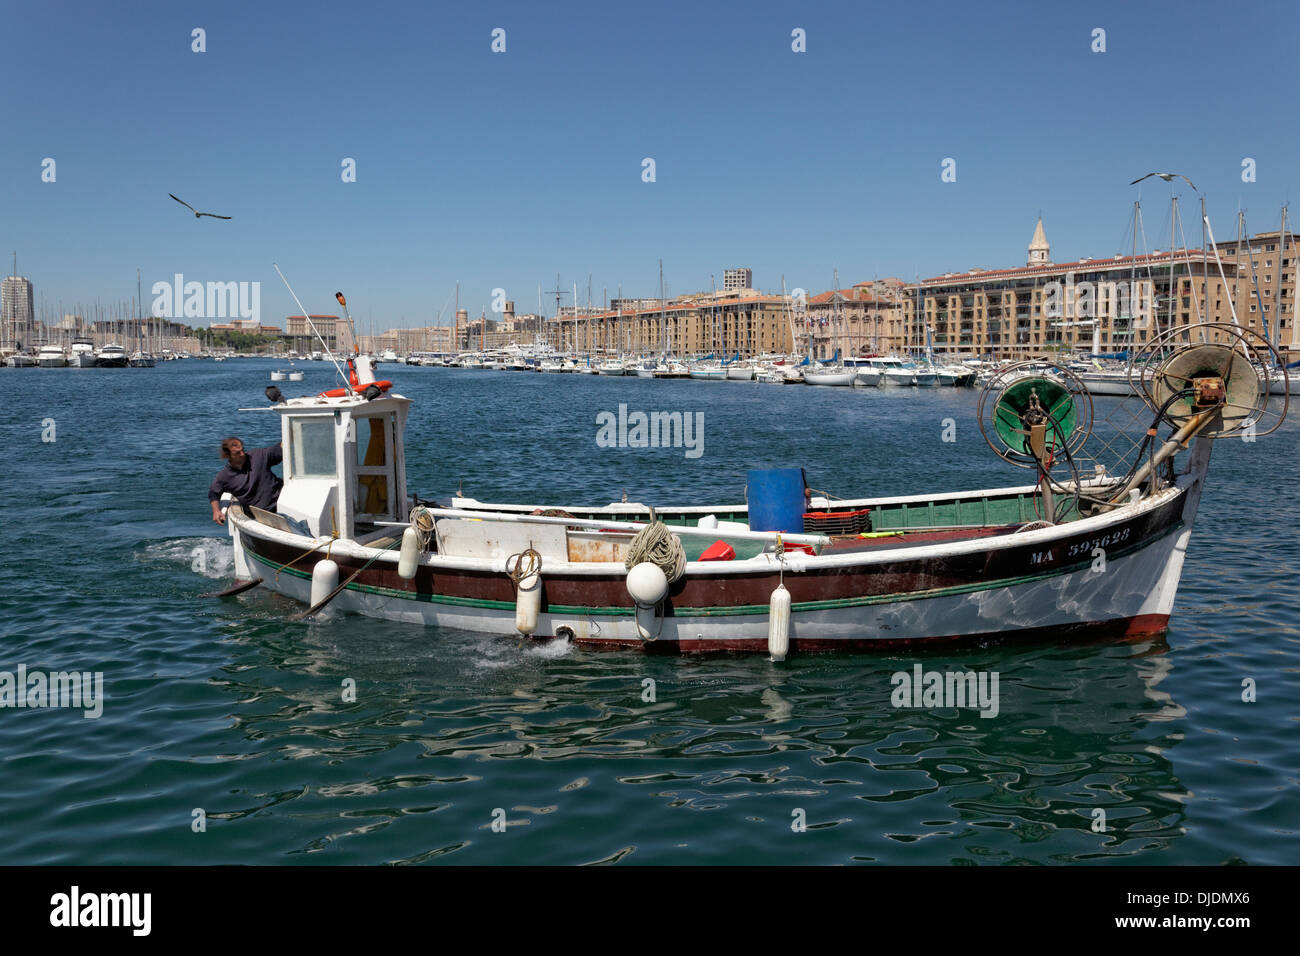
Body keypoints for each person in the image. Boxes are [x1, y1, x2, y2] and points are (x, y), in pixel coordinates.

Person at [209, 437, 283, 524]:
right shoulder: (224, 476)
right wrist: (216, 511)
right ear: (227, 456)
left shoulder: (258, 455)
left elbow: (279, 449)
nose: (242, 454)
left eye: (243, 450)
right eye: (237, 453)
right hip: (259, 515)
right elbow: (213, 493)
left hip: (281, 502)